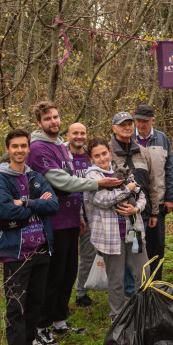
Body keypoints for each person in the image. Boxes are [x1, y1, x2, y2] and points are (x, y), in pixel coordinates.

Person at [26, 102, 96, 345]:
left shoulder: (61, 147)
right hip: (51, 222)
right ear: (39, 123)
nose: (53, 121)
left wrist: (78, 216)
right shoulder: (37, 149)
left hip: (69, 220)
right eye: (48, 118)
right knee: (52, 276)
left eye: (56, 117)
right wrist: (99, 184)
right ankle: (40, 329)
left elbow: (69, 182)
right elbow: (62, 181)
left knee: (68, 273)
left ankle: (59, 321)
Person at [0, 129, 58, 345]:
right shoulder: (0, 179)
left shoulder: (35, 176)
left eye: (23, 146)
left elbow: (53, 205)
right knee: (16, 307)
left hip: (41, 248)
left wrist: (27, 202)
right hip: (16, 253)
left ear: (29, 148)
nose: (20, 150)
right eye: (15, 146)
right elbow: (6, 211)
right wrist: (36, 202)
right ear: (8, 149)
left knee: (35, 303)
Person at [83, 137, 146, 321]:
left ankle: (140, 309)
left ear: (110, 152)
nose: (102, 158)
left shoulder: (122, 171)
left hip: (133, 231)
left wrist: (136, 208)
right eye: (97, 155)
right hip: (110, 237)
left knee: (143, 272)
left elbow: (141, 195)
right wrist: (127, 190)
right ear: (91, 158)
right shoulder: (93, 177)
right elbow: (103, 200)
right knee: (116, 279)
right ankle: (117, 316)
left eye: (104, 153)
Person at [109, 111, 164, 292]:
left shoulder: (143, 151)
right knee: (121, 257)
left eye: (129, 124)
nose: (127, 127)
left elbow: (152, 182)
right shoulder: (107, 151)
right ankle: (127, 294)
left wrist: (154, 210)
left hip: (141, 213)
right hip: (115, 215)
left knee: (137, 252)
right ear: (113, 128)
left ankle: (140, 295)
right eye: (122, 124)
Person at [132, 104, 173, 280]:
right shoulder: (128, 138)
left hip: (158, 201)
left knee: (156, 245)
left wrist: (171, 197)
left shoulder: (162, 138)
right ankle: (137, 284)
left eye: (145, 121)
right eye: (139, 121)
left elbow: (170, 169)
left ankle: (156, 283)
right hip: (133, 203)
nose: (142, 125)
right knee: (135, 245)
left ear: (153, 121)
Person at [67, 123, 97, 308]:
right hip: (66, 214)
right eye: (75, 133)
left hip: (88, 214)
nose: (79, 136)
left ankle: (81, 293)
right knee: (66, 261)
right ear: (69, 135)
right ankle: (60, 300)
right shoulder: (62, 156)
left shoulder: (90, 156)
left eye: (82, 133)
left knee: (88, 256)